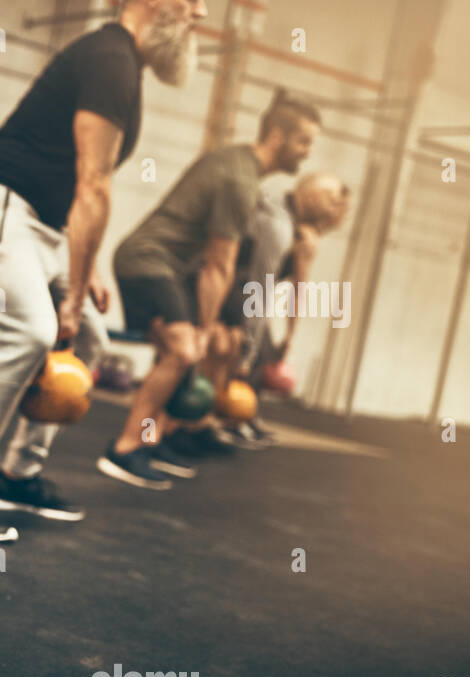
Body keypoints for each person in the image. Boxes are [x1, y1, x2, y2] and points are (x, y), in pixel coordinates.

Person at [0, 0, 208, 543]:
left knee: (91, 345)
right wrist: (72, 295)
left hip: (44, 227)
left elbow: (83, 182)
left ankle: (18, 476)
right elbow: (94, 186)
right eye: (193, 1)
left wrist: (88, 268)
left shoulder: (127, 64)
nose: (201, 13)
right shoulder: (110, 58)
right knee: (28, 334)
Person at [97, 89, 321, 490]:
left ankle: (154, 438)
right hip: (147, 260)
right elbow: (219, 265)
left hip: (163, 264)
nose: (306, 153)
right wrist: (202, 328)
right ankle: (125, 448)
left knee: (181, 353)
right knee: (185, 350)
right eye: (303, 142)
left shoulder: (240, 167)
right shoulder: (239, 180)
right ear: (276, 136)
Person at [227, 172, 352, 447]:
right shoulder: (293, 231)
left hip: (243, 289)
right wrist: (290, 337)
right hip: (235, 289)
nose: (338, 214)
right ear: (311, 198)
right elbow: (293, 290)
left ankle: (244, 417)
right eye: (333, 204)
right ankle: (233, 420)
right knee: (254, 355)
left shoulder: (293, 223)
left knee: (261, 352)